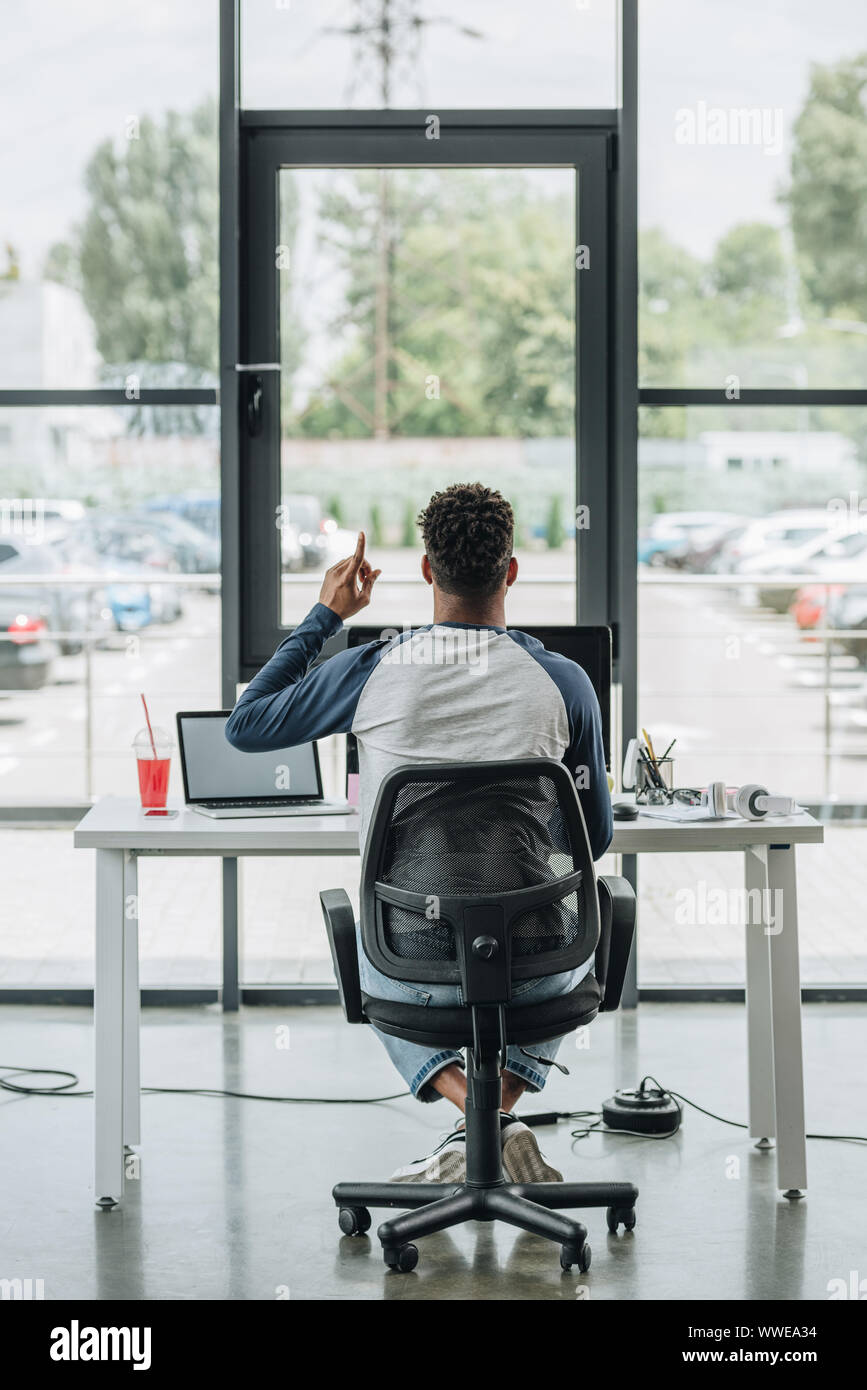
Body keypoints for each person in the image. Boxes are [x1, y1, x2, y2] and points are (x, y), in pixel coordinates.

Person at [225, 483, 612, 1183]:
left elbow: (247, 726)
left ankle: (474, 1122)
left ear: (427, 571)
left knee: (363, 926)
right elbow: (595, 839)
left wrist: (325, 614)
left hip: (409, 967)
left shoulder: (371, 670)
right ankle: (495, 1120)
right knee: (594, 917)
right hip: (539, 971)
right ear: (511, 572)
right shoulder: (565, 682)